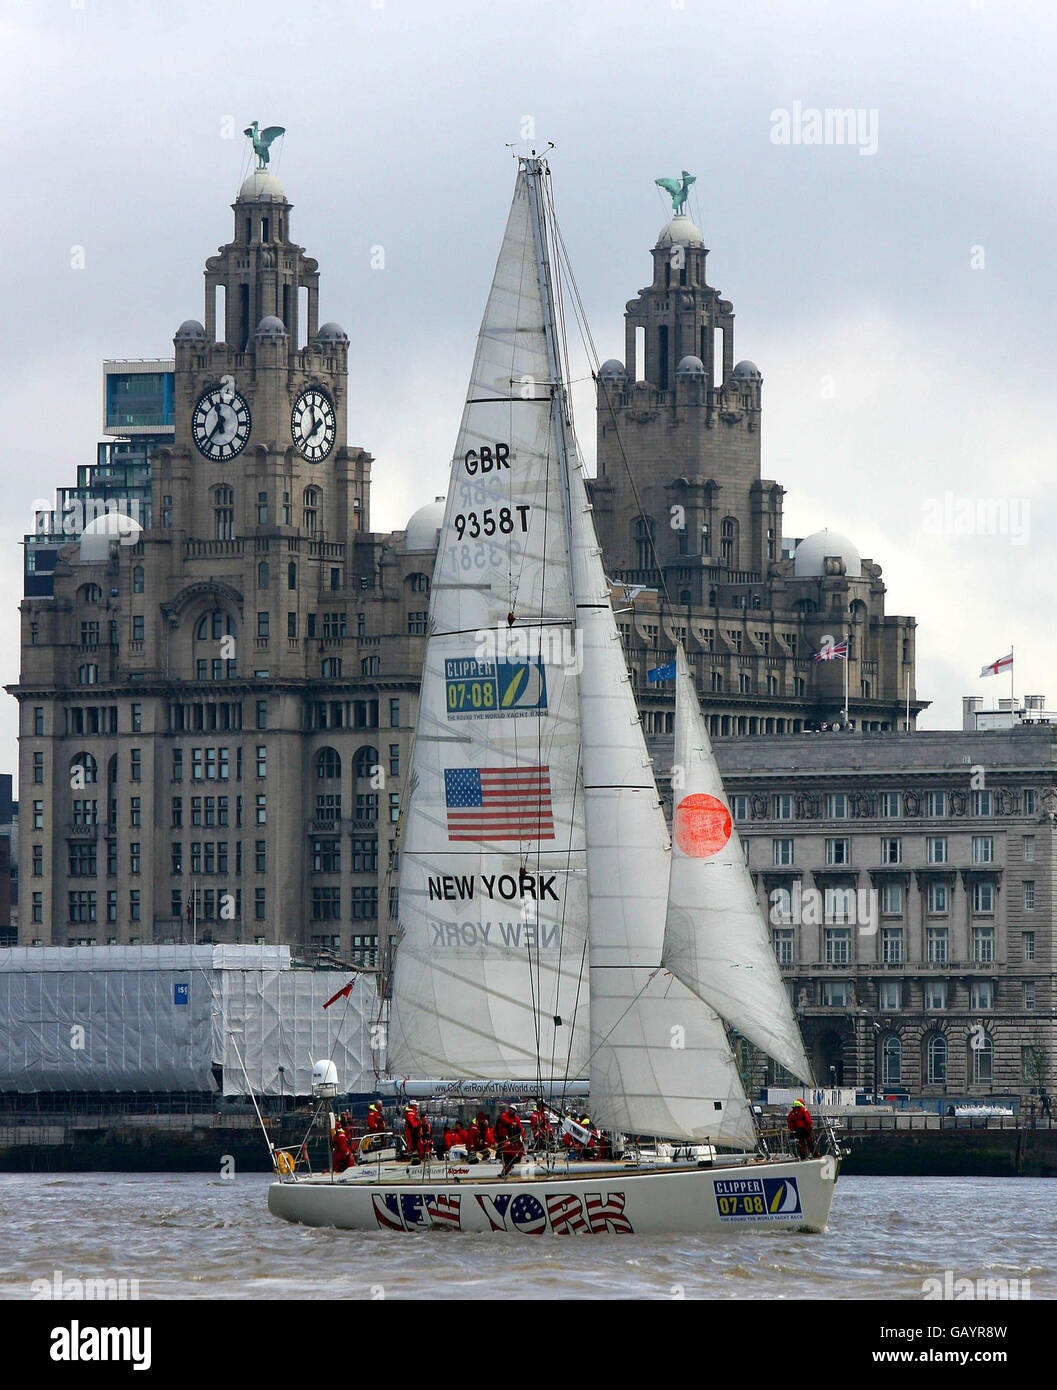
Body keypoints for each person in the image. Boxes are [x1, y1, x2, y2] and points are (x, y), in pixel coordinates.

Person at [495, 1102, 526, 1176]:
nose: (511, 1111)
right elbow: (504, 1120)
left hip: (512, 1140)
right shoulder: (504, 1116)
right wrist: (511, 1123)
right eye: (511, 1110)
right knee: (505, 1153)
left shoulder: (516, 1118)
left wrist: (524, 1136)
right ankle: (500, 1161)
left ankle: (507, 1169)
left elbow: (520, 1128)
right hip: (504, 1137)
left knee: (512, 1156)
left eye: (513, 1110)